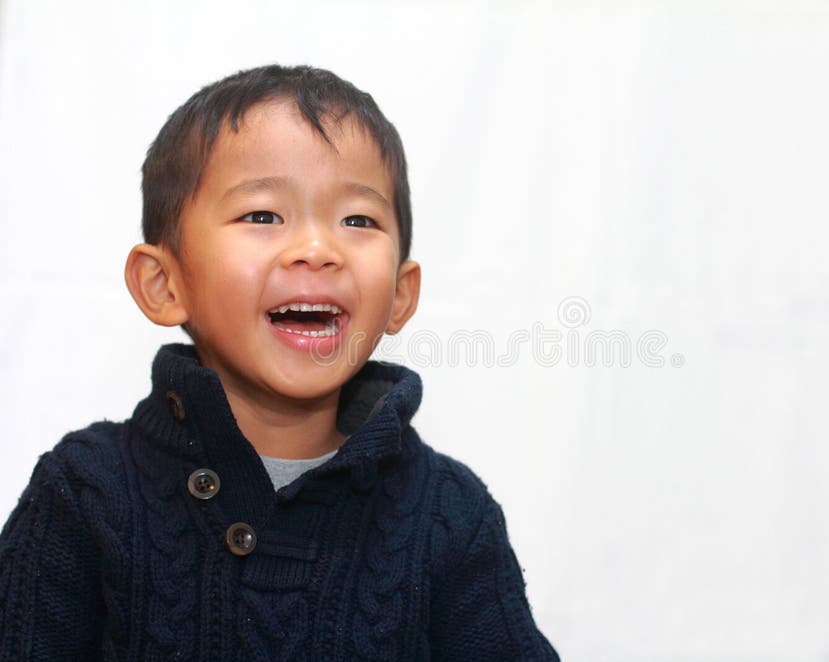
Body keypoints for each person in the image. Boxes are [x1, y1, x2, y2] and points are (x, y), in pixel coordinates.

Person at [0, 64, 559, 660]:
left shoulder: (450, 513)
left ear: (400, 295)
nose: (317, 250)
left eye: (358, 220)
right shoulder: (85, 492)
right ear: (164, 284)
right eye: (263, 215)